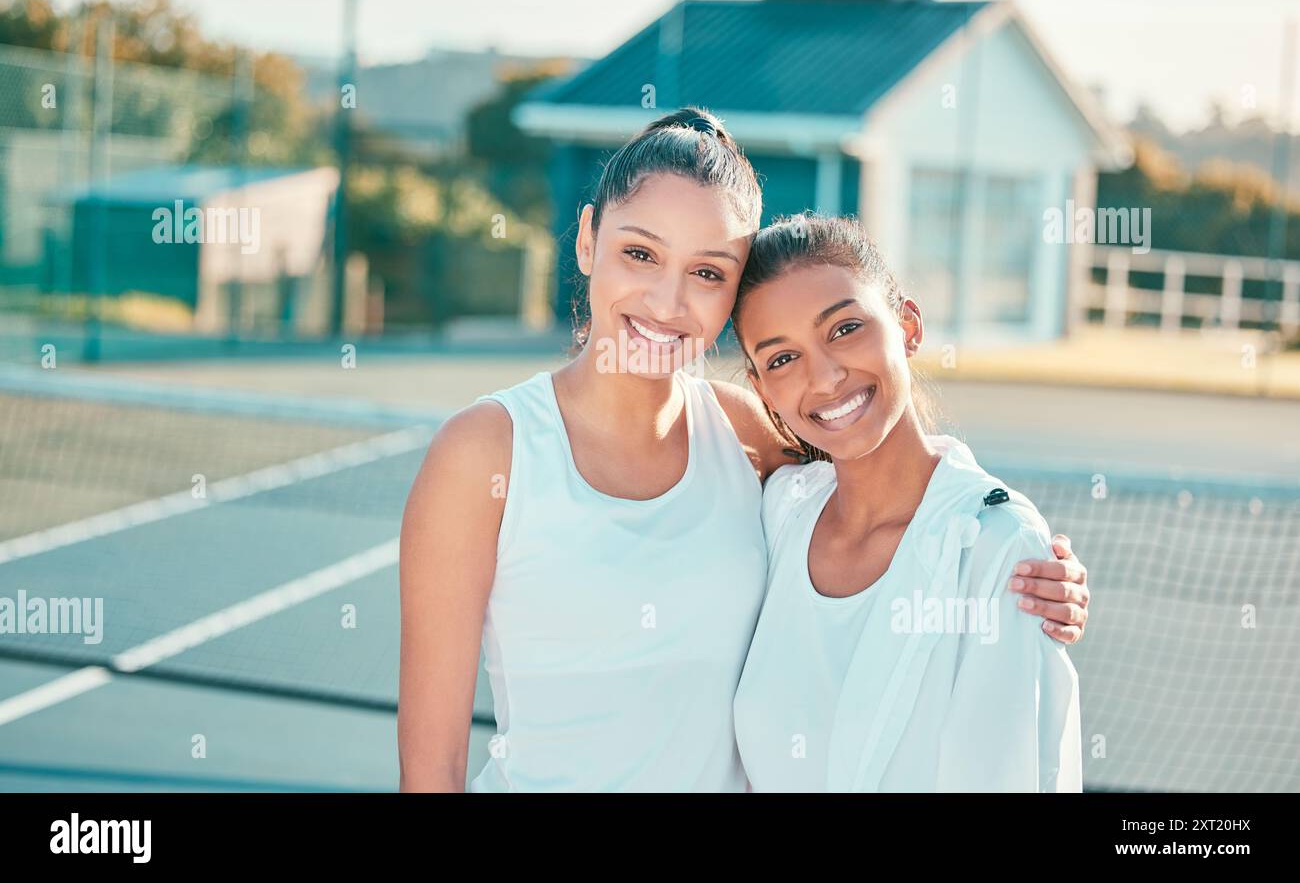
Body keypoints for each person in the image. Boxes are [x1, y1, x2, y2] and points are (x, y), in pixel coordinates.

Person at [397, 109, 1089, 792]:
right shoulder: (485, 452)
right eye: (640, 253)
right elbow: (431, 771)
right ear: (586, 239)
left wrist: (1017, 552)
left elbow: (875, 467)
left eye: (707, 272)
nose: (667, 302)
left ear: (732, 294)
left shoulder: (745, 431)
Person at [731, 215, 1081, 791]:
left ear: (908, 326)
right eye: (782, 359)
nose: (825, 377)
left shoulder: (998, 546)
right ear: (760, 385)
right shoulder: (777, 515)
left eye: (844, 329)